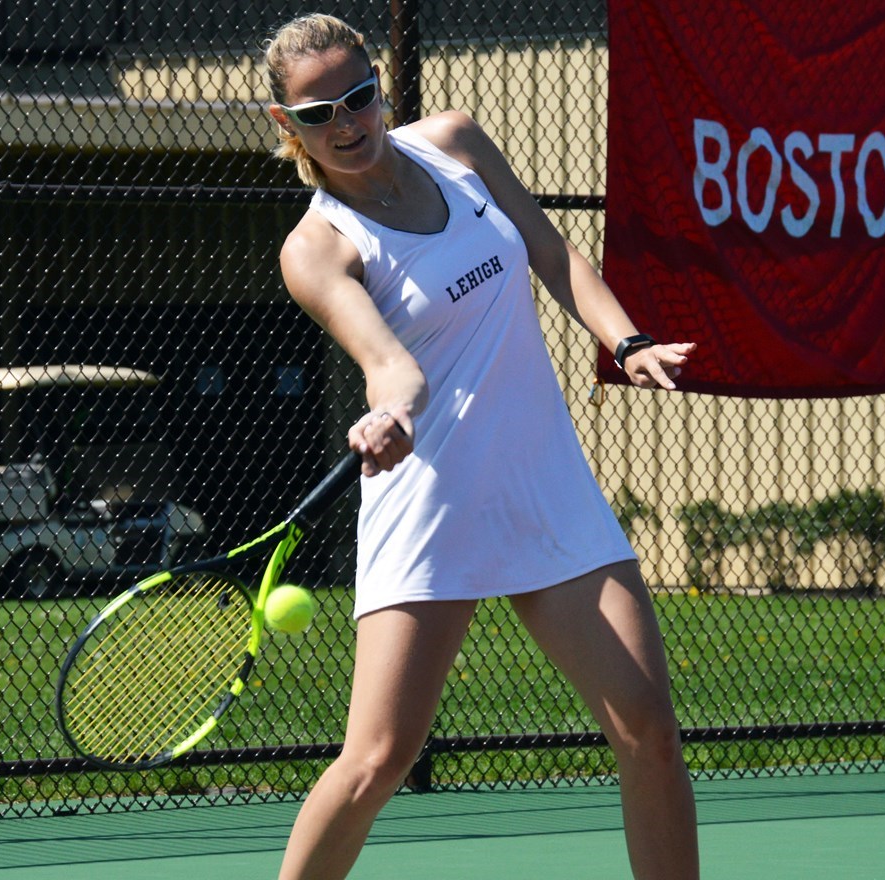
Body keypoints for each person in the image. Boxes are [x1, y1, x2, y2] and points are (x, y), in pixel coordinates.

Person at [264, 14, 701, 880]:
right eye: (319, 114)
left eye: (359, 98)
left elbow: (550, 249)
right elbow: (390, 366)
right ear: (286, 126)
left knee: (647, 728)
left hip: (544, 484)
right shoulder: (315, 250)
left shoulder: (456, 143)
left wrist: (627, 341)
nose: (347, 124)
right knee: (376, 762)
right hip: (433, 500)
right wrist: (388, 409)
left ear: (382, 87)